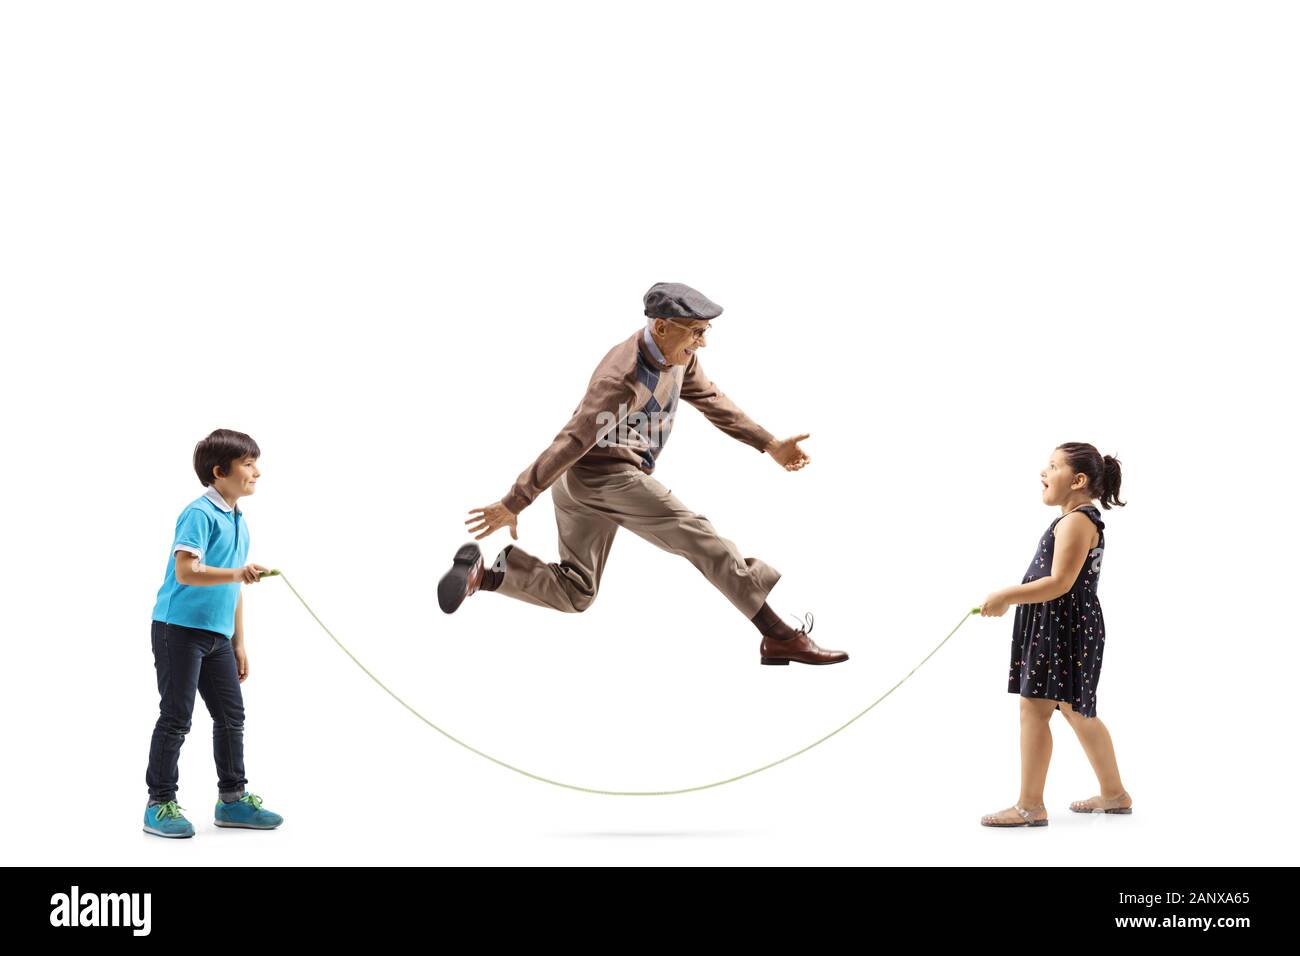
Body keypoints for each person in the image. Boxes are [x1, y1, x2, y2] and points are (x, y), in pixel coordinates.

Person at [438, 281, 847, 666]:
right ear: (662, 326)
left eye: (705, 331)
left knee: (577, 591)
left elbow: (712, 400)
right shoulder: (623, 379)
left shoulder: (678, 357)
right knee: (702, 539)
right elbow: (570, 442)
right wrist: (515, 501)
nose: (703, 341)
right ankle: (779, 636)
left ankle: (485, 577)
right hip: (607, 477)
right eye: (696, 331)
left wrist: (769, 443)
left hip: (579, 484)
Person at [978, 443, 1132, 827]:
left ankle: (1030, 805)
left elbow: (1061, 583)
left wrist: (1006, 595)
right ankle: (1113, 793)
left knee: (1036, 707)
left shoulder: (1078, 521)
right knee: (1074, 709)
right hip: (1064, 623)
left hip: (1063, 623)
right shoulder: (1078, 519)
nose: (1042, 473)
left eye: (1052, 466)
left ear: (1077, 480)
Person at [143, 428, 284, 838]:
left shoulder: (239, 519)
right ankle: (160, 803)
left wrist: (238, 641)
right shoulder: (199, 514)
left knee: (231, 716)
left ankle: (233, 800)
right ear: (220, 472)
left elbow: (233, 586)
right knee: (176, 717)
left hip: (217, 636)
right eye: (248, 464)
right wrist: (238, 572)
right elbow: (187, 571)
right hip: (179, 630)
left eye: (256, 462)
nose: (257, 471)